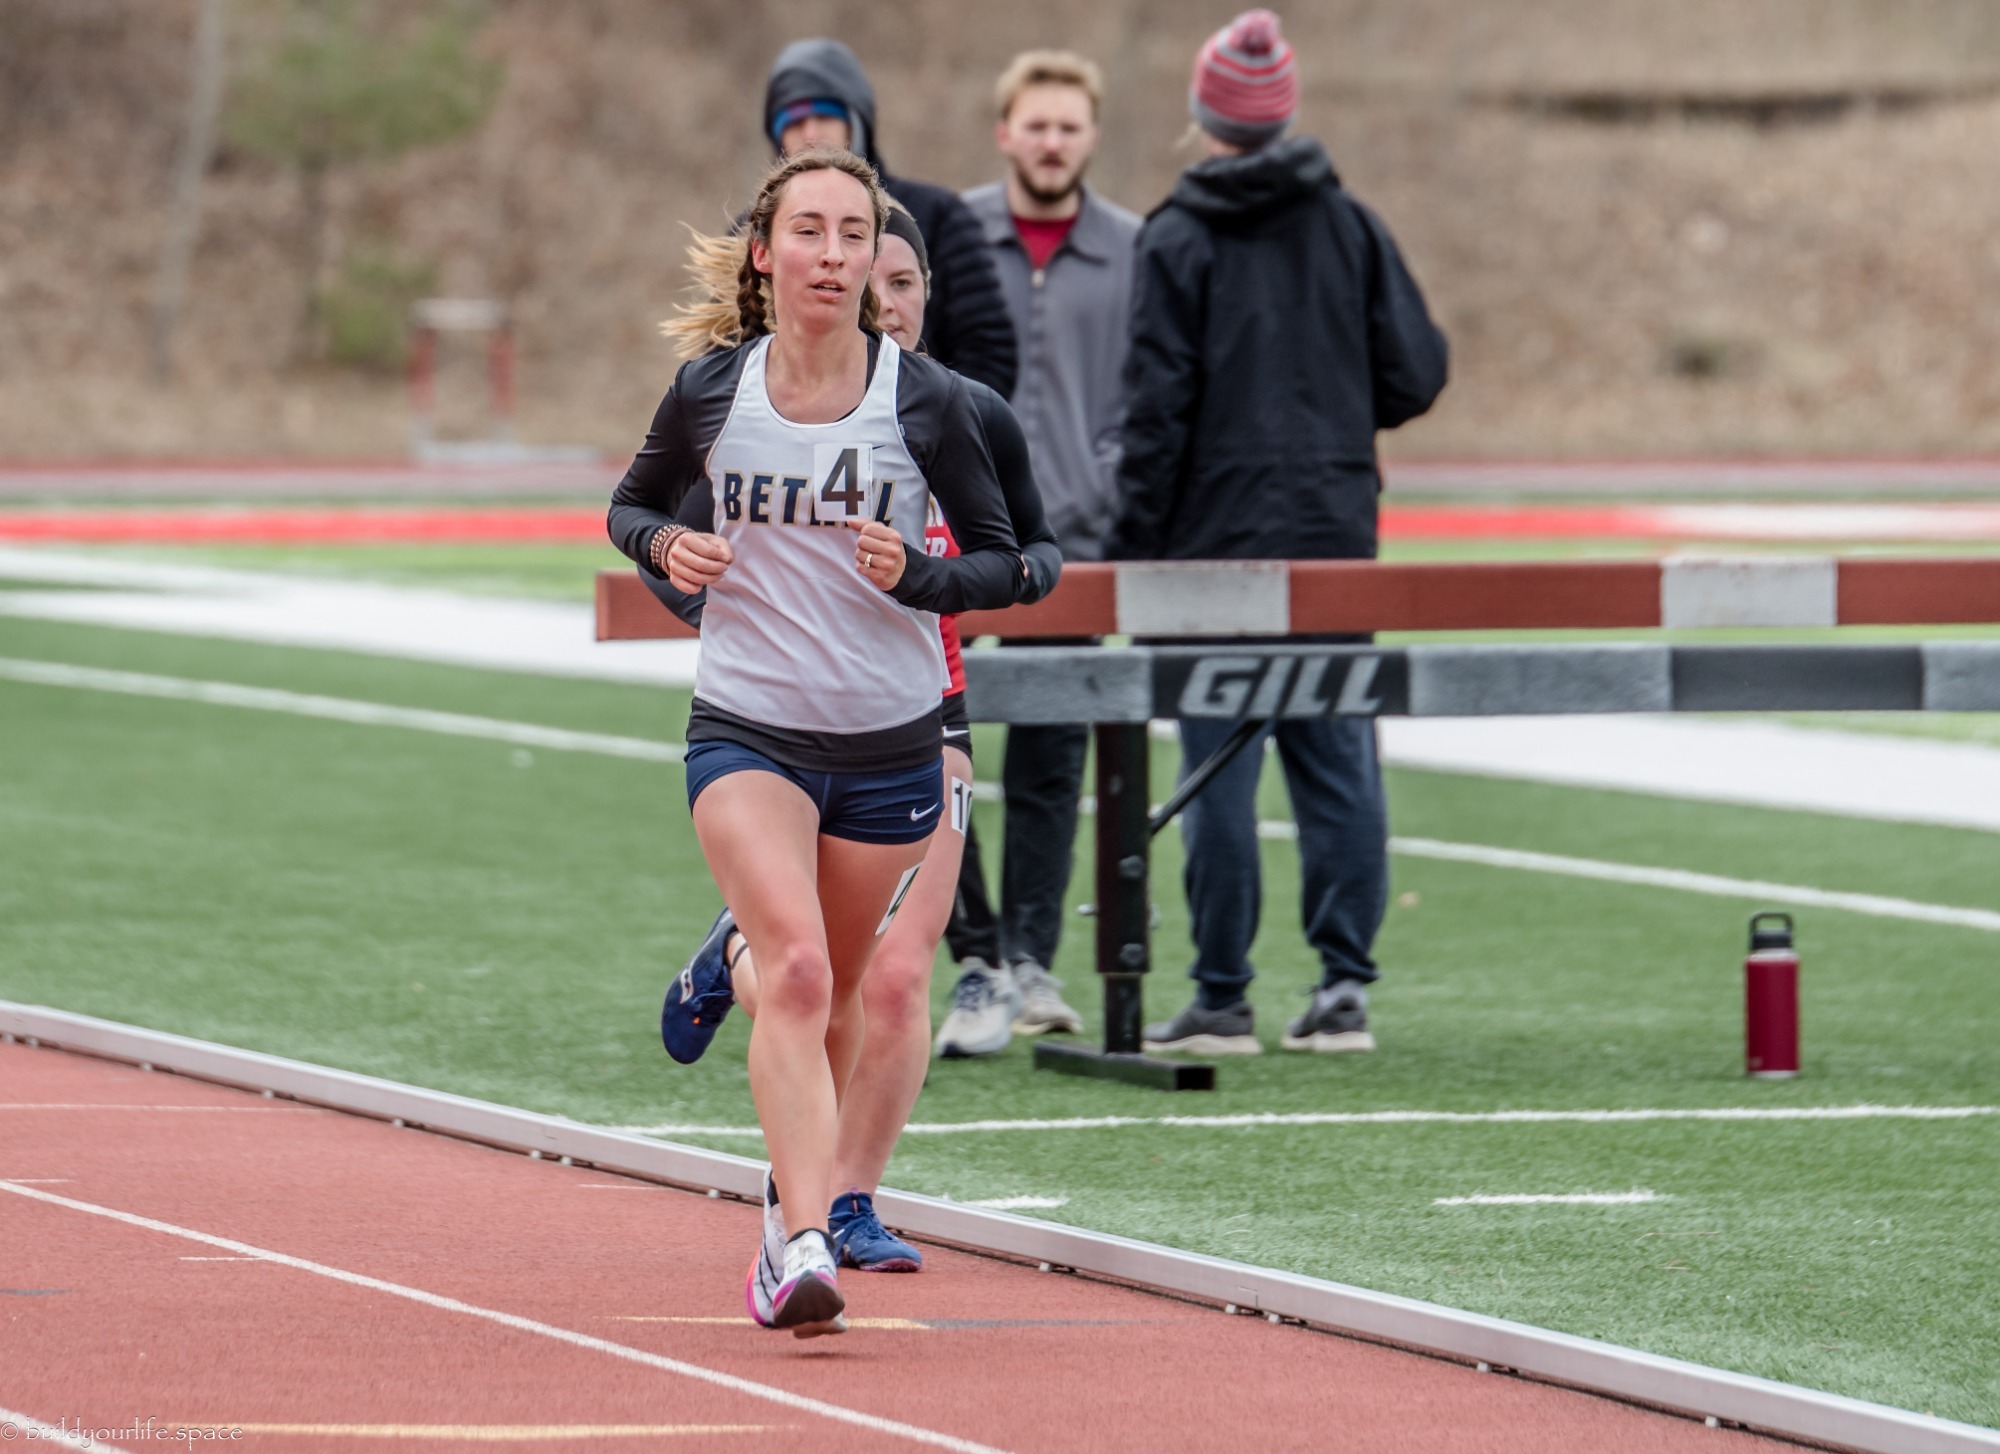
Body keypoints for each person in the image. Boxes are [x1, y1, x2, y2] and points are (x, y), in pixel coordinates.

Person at [606, 151, 1027, 1334]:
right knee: (800, 971)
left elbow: (1016, 558)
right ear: (766, 253)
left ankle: (802, 1185)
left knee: (851, 979)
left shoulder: (940, 405)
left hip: (904, 733)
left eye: (871, 251)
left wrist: (923, 577)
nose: (845, 265)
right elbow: (637, 508)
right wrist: (670, 556)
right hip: (748, 727)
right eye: (813, 234)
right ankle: (803, 1231)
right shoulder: (715, 392)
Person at [1109, 10, 1448, 1057]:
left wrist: (1128, 546)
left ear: (1204, 114)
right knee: (1336, 759)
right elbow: (1417, 374)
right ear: (1285, 113)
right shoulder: (1350, 228)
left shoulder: (1176, 236)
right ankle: (1342, 987)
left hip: (1210, 545)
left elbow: (1155, 416)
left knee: (1217, 767)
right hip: (1332, 534)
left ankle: (1221, 996)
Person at [933, 50, 1142, 1059]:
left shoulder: (1133, 249)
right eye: (1036, 124)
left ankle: (1030, 963)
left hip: (1074, 548)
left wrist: (1096, 494)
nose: (1052, 142)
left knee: (1055, 761)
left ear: (1090, 137)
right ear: (1004, 132)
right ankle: (973, 953)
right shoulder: (952, 236)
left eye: (1068, 125)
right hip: (958, 545)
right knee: (938, 748)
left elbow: (1145, 396)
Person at [764, 38, 1018, 398]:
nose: (810, 133)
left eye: (824, 116)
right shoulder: (753, 231)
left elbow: (990, 353)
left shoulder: (938, 214)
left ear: (857, 122)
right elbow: (724, 352)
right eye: (793, 121)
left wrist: (929, 416)